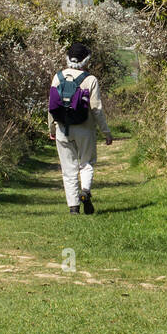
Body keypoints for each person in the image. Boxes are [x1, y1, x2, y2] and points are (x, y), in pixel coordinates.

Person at [48, 43, 113, 214]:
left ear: (68, 58)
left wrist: (52, 129)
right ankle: (85, 190)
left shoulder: (58, 77)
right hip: (85, 128)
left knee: (68, 169)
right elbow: (96, 109)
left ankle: (74, 207)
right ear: (86, 60)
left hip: (63, 128)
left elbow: (51, 106)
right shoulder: (90, 80)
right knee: (86, 163)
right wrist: (106, 132)